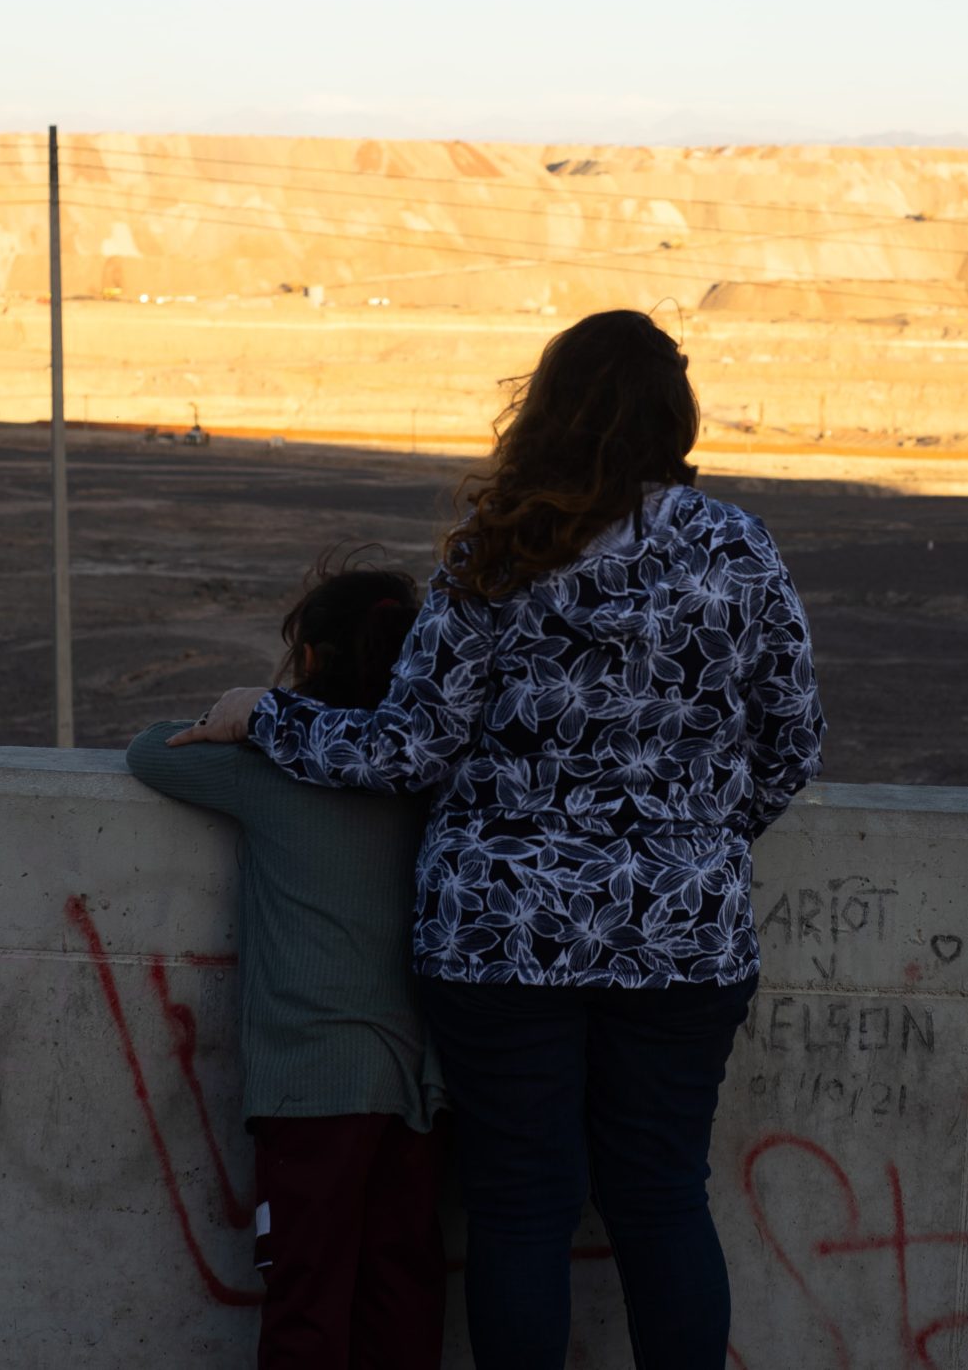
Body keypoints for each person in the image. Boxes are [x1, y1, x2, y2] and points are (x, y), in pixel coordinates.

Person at [174, 308, 826, 1370]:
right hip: (681, 941)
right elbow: (792, 743)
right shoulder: (737, 550)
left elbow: (407, 749)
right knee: (661, 1199)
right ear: (675, 412)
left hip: (498, 940)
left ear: (550, 410)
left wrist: (271, 714)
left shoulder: (504, 551)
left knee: (521, 1207)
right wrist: (686, 844)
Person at [127, 562, 450, 1370]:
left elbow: (149, 752)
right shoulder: (426, 773)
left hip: (312, 1091)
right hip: (417, 1088)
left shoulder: (269, 766)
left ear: (309, 659)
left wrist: (257, 714)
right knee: (400, 1302)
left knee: (306, 1303)